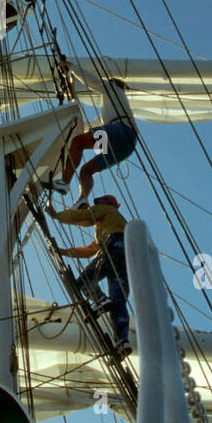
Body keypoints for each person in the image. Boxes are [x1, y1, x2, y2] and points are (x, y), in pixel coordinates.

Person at [45, 193, 132, 359]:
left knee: (84, 280)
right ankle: (122, 340)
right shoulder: (110, 223)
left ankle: (100, 300)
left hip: (114, 246)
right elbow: (90, 250)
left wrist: (56, 215)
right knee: (119, 301)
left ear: (109, 203)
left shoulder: (106, 211)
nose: (96, 204)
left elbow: (83, 216)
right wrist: (62, 252)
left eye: (98, 201)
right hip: (127, 257)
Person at [52, 79, 138, 205]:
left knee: (78, 142)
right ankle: (82, 200)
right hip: (124, 146)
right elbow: (92, 124)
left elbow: (93, 81)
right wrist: (69, 126)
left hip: (121, 131)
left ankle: (64, 182)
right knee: (86, 170)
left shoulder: (115, 89)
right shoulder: (111, 110)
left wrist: (71, 67)